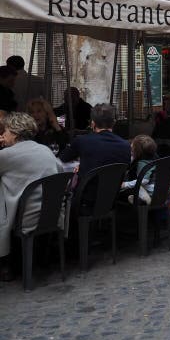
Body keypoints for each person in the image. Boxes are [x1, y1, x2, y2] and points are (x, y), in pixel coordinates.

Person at [0, 112, 60, 281]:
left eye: (5, 131)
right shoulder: (45, 149)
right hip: (51, 213)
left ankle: (5, 263)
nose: (2, 134)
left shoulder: (7, 155)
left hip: (26, 217)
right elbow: (60, 172)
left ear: (14, 133)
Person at [123, 135, 170, 240]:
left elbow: (143, 180)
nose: (131, 151)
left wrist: (125, 184)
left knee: (136, 186)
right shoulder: (156, 159)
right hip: (163, 190)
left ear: (137, 152)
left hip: (151, 191)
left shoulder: (141, 163)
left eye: (132, 150)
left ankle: (144, 198)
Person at [60, 104, 131, 211]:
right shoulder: (126, 145)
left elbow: (63, 158)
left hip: (84, 199)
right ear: (114, 122)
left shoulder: (82, 141)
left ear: (92, 123)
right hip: (111, 198)